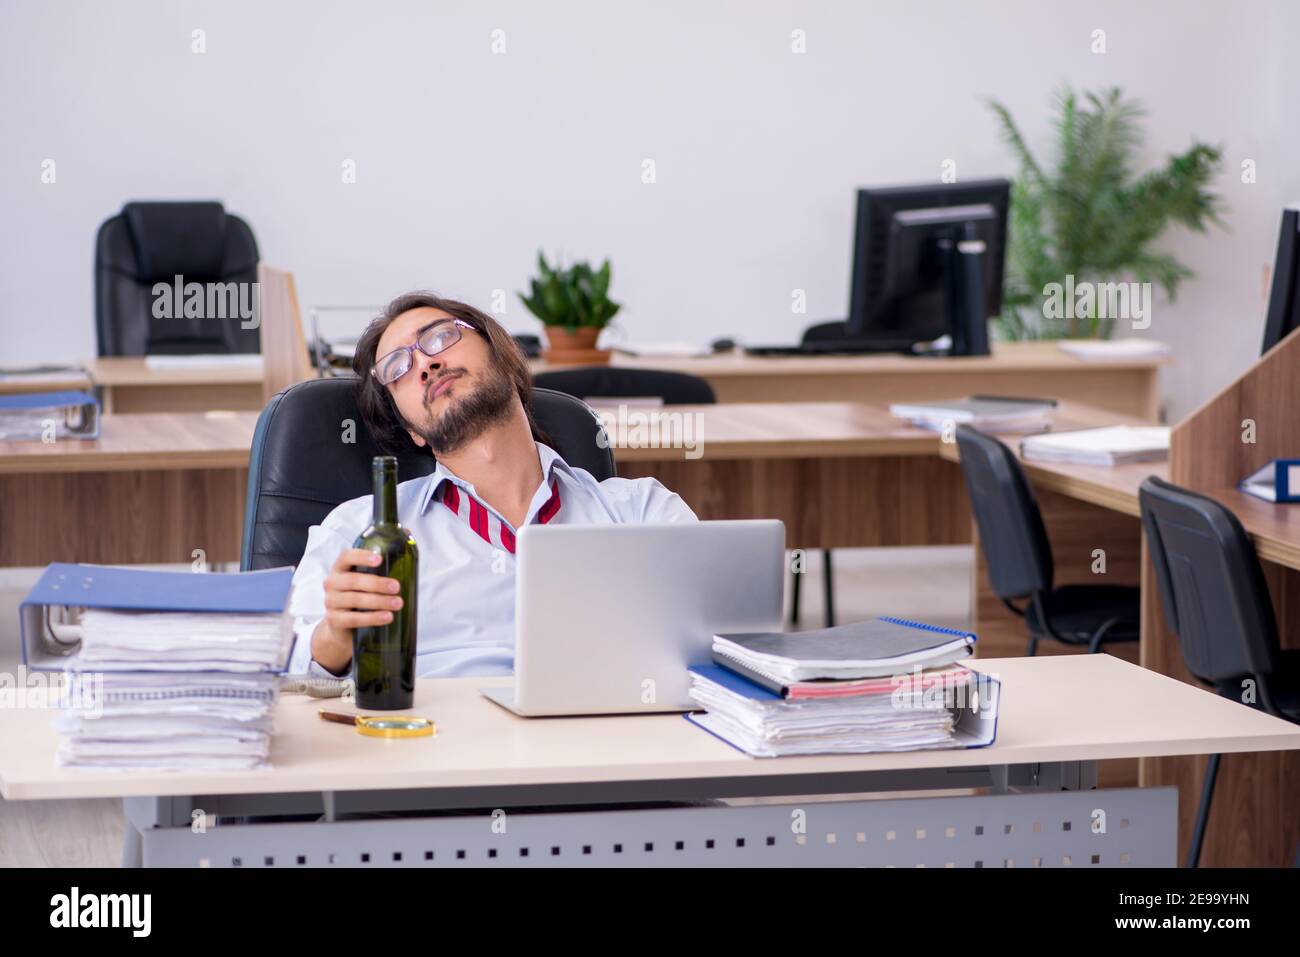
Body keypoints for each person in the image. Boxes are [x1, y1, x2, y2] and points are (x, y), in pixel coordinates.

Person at [287, 292, 697, 678]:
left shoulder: (643, 513)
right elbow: (285, 670)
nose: (424, 365)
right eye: (397, 369)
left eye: (439, 337)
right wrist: (334, 635)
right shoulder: (360, 533)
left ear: (503, 356)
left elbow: (719, 641)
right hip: (438, 745)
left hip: (613, 739)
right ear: (412, 430)